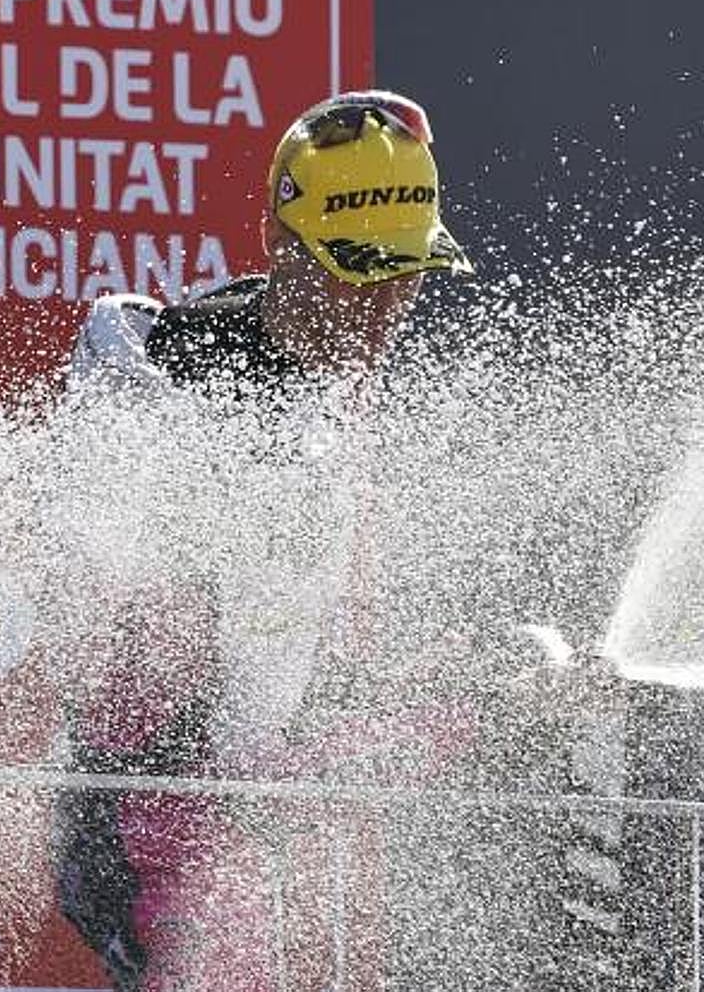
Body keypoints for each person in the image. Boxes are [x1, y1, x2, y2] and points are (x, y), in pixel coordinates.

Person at [55, 90, 476, 992]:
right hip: (158, 844)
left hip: (213, 835)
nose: (387, 307)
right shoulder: (207, 392)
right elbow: (234, 722)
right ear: (276, 245)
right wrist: (452, 712)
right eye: (361, 274)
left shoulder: (294, 369)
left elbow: (283, 680)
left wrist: (459, 681)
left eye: (407, 276)